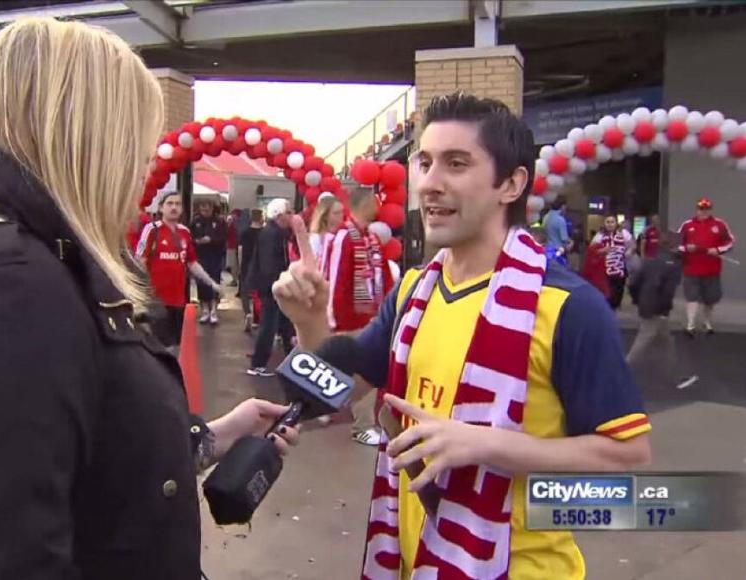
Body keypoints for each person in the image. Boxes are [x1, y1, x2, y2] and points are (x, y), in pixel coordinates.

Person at [0, 19, 299, 578]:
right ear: (87, 134)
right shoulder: (5, 288)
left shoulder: (52, 256)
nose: (144, 164)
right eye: (137, 139)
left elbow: (87, 449)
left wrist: (205, 439)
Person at [273, 93, 651, 579]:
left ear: (511, 183)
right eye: (424, 163)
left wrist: (486, 445)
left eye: (456, 164)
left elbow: (626, 465)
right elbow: (335, 398)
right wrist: (307, 320)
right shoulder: (413, 292)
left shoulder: (568, 308)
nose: (430, 183)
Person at [322, 188, 395, 446]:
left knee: (365, 369)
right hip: (347, 319)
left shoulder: (372, 238)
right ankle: (321, 406)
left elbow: (384, 276)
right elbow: (335, 277)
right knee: (333, 369)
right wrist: (331, 318)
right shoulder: (344, 237)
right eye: (374, 202)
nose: (377, 206)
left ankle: (362, 424)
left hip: (370, 318)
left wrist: (387, 310)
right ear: (364, 204)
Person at [135, 191, 221, 347]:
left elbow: (192, 263)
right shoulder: (152, 230)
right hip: (157, 301)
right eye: (169, 203)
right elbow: (139, 261)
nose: (174, 207)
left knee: (175, 346)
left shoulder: (185, 232)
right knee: (159, 347)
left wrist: (211, 283)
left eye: (177, 204)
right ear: (161, 208)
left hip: (178, 300)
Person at [626, 231, 698, 390]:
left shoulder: (649, 261)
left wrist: (638, 301)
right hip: (657, 310)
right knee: (641, 343)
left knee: (667, 343)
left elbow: (633, 283)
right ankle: (617, 373)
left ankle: (677, 377)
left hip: (646, 305)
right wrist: (665, 311)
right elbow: (668, 291)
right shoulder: (673, 265)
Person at [246, 198, 295, 377]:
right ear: (279, 215)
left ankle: (292, 362)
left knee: (285, 324)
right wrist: (279, 284)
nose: (292, 216)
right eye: (289, 212)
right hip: (271, 287)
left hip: (274, 285)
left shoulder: (279, 233)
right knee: (270, 325)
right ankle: (258, 363)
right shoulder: (271, 234)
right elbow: (269, 264)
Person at [678, 197, 734, 336]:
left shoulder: (719, 224)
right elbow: (676, 243)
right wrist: (686, 248)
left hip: (711, 269)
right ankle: (690, 325)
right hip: (691, 268)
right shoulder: (687, 225)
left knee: (711, 298)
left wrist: (718, 250)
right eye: (701, 209)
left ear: (710, 210)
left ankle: (707, 321)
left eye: (706, 209)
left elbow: (730, 242)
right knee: (692, 297)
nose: (703, 211)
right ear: (696, 209)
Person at [190, 199, 227, 324]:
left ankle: (214, 311)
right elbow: (191, 238)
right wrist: (198, 241)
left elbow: (223, 238)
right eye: (203, 208)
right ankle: (205, 310)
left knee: (214, 282)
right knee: (201, 284)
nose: (205, 211)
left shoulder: (219, 222)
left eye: (208, 208)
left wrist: (211, 240)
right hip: (200, 257)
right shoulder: (195, 222)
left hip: (215, 257)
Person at [592, 214, 633, 309]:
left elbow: (632, 245)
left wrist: (629, 252)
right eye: (608, 222)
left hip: (619, 270)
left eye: (612, 222)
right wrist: (602, 251)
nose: (610, 224)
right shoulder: (600, 236)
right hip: (605, 271)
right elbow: (592, 250)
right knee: (608, 297)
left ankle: (613, 313)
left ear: (616, 223)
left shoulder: (623, 233)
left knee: (617, 296)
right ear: (604, 223)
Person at [238, 209, 264, 333]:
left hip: (246, 264)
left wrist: (239, 264)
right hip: (260, 265)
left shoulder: (245, 233)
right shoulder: (264, 233)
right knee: (258, 293)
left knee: (244, 291)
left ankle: (247, 313)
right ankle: (257, 319)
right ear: (261, 217)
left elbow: (240, 251)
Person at [308, 195, 344, 266]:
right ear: (325, 215)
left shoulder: (343, 233)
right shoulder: (316, 238)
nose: (341, 215)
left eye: (342, 212)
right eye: (336, 213)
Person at [542, 195, 571, 266]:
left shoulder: (545, 217)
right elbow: (564, 239)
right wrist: (571, 242)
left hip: (546, 250)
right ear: (563, 206)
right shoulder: (561, 220)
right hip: (558, 252)